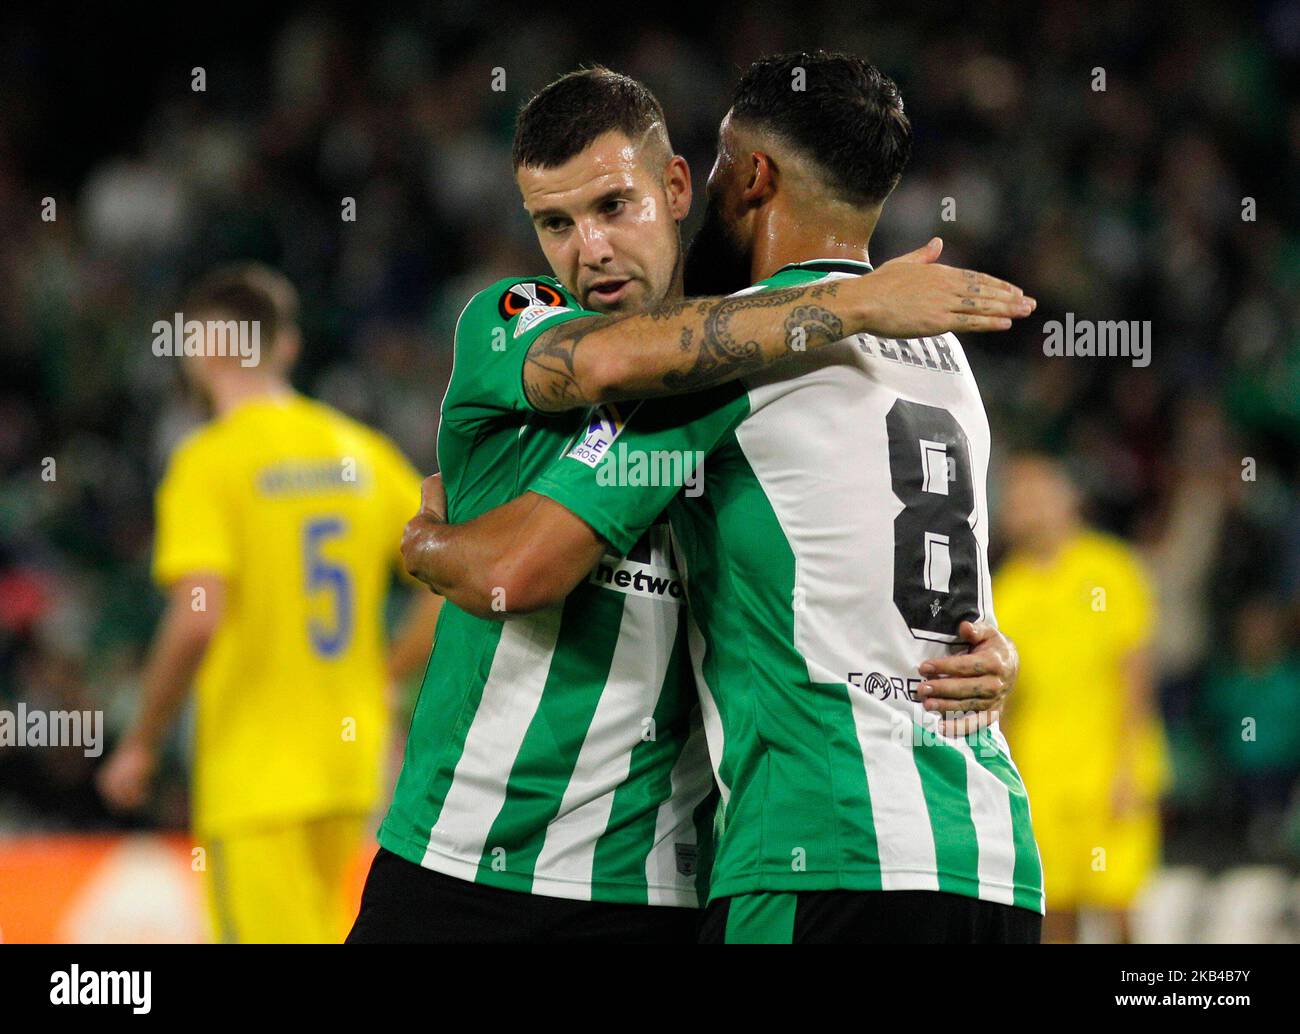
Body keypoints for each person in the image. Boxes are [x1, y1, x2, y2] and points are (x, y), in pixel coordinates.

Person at [348, 65, 1034, 943]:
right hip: (465, 860)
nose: (587, 249)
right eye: (555, 223)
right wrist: (854, 297)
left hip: (662, 888)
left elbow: (520, 566)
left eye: (613, 208)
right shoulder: (513, 314)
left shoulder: (753, 359)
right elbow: (600, 368)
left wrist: (982, 649)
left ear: (683, 186)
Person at [98, 264, 443, 943]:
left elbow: (197, 616)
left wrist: (139, 742)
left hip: (256, 778)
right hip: (352, 770)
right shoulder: (359, 452)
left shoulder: (208, 461)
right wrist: (387, 677)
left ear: (200, 348)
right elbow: (452, 580)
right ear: (285, 345)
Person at [995, 452, 1168, 943]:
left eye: (1039, 492)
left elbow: (1135, 676)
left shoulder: (1111, 570)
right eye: (1017, 497)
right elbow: (1005, 703)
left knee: (1120, 909)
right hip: (1040, 776)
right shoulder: (1005, 590)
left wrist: (1130, 767)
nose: (1027, 506)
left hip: (1108, 769)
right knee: (1054, 911)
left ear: (1070, 498)